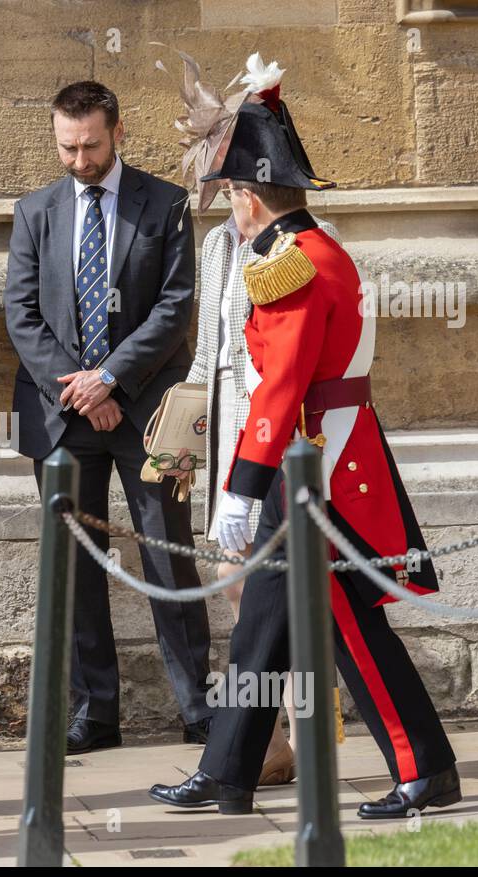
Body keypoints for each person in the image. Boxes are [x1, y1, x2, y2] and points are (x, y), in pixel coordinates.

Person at [148, 61, 461, 819]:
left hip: (312, 467)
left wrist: (239, 490)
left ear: (250, 199)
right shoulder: (315, 251)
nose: (228, 204)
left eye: (231, 192)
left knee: (353, 630)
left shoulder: (286, 267)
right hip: (319, 460)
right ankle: (227, 770)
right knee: (264, 622)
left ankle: (425, 769)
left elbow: (279, 388)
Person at [5, 80, 214, 754]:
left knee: (168, 556)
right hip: (61, 417)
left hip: (148, 412)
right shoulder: (34, 211)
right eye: (67, 146)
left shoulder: (167, 204)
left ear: (117, 132)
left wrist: (112, 380)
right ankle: (94, 712)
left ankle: (197, 706)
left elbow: (175, 306)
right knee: (76, 565)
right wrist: (80, 391)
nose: (79, 159)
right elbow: (21, 314)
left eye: (91, 145)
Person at [173, 53, 343, 786]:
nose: (226, 194)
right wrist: (178, 439)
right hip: (228, 434)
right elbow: (207, 350)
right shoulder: (218, 247)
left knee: (285, 604)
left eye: (232, 180)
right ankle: (264, 742)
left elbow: (292, 366)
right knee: (243, 598)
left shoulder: (300, 245)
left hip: (279, 435)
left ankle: (308, 738)